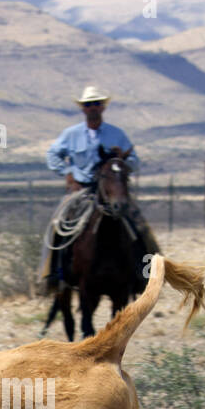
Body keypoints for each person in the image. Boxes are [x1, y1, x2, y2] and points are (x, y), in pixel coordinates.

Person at [40, 86, 160, 291]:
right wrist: (68, 173)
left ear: (103, 107)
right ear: (83, 109)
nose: (93, 108)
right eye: (88, 104)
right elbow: (52, 155)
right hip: (82, 189)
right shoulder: (70, 135)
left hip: (112, 191)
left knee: (139, 224)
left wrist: (122, 166)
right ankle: (51, 273)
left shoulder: (117, 134)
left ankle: (148, 273)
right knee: (57, 223)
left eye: (96, 103)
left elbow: (134, 160)